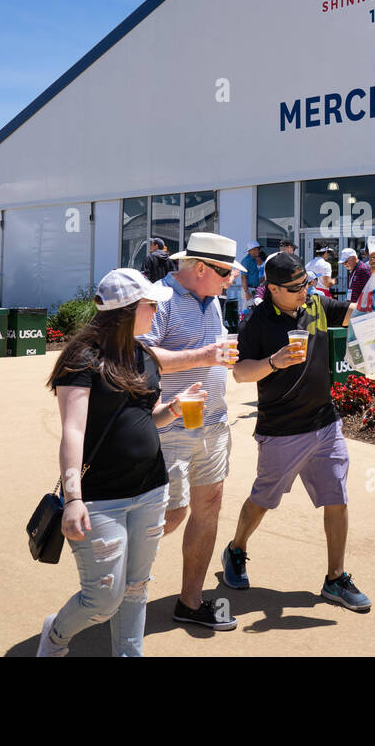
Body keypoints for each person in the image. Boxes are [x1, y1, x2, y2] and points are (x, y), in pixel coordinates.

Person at [38, 268, 204, 657]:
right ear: (129, 309)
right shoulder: (82, 358)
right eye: (151, 305)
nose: (155, 311)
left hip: (151, 488)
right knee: (102, 599)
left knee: (136, 587)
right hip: (99, 498)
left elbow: (146, 415)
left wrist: (172, 410)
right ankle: (57, 635)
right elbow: (73, 431)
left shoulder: (143, 354)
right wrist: (74, 498)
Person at [222, 251, 375, 611]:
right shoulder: (257, 320)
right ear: (273, 289)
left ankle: (335, 578)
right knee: (263, 501)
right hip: (281, 429)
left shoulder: (316, 304)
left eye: (306, 282)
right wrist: (273, 362)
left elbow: (362, 311)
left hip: (325, 422)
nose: (305, 290)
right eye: (296, 287)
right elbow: (240, 372)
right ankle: (236, 548)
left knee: (337, 499)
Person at [137, 232, 241, 631]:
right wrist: (203, 356)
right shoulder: (160, 298)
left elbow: (212, 351)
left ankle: (190, 601)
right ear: (201, 269)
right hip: (171, 425)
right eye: (227, 272)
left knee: (209, 504)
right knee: (171, 513)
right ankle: (115, 585)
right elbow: (142, 356)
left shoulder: (212, 299)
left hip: (212, 421)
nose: (231, 280)